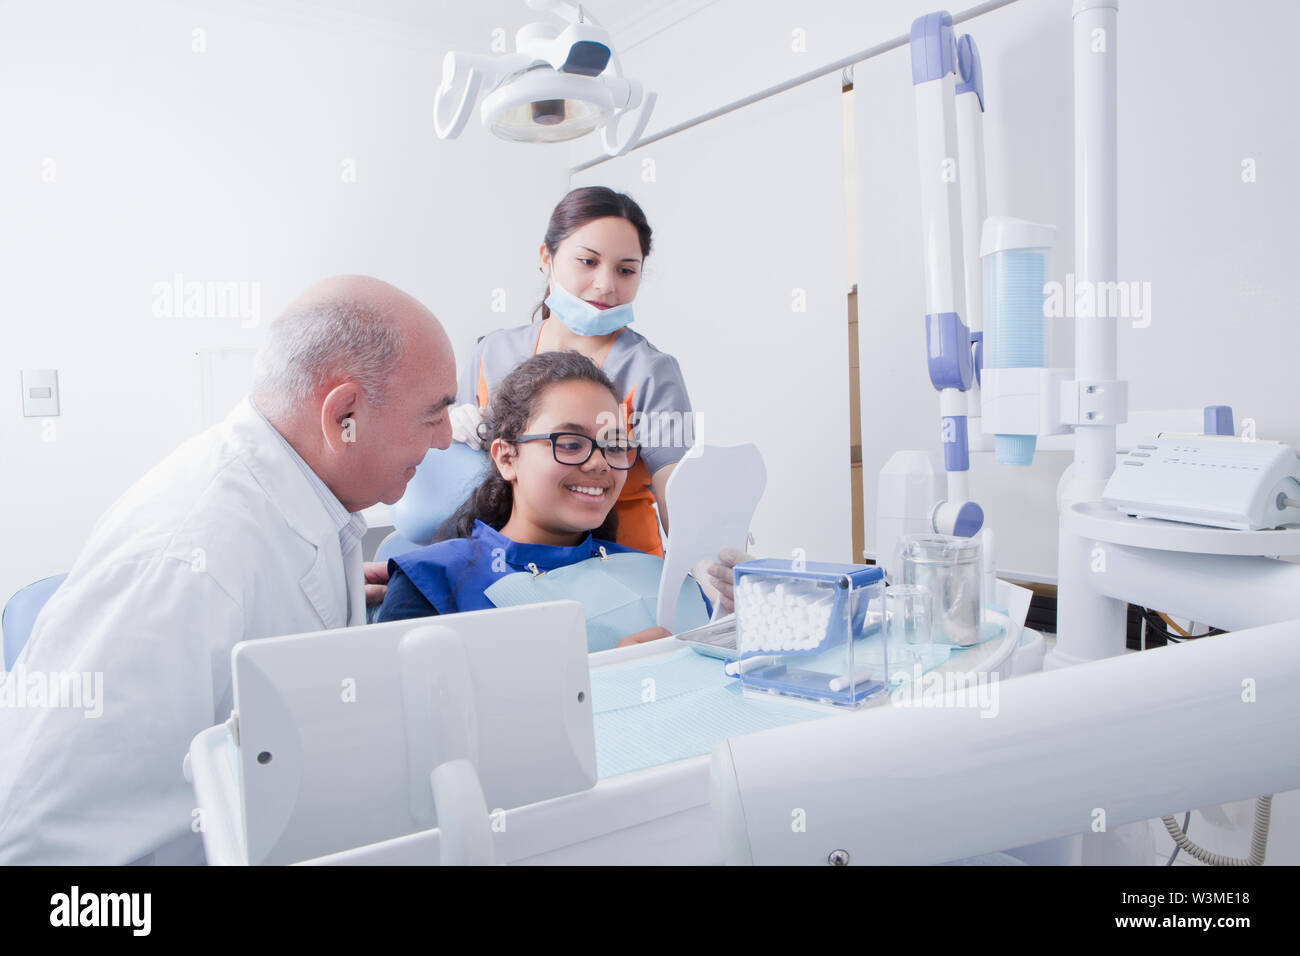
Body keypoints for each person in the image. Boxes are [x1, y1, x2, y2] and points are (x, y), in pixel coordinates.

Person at [0, 275, 458, 864]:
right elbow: (39, 844)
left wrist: (343, 598)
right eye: (433, 415)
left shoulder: (311, 505)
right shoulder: (186, 560)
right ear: (344, 414)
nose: (447, 439)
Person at [448, 186, 693, 558]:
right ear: (546, 257)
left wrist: (707, 543)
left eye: (626, 270)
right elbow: (447, 473)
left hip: (622, 570)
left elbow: (675, 486)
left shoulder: (650, 371)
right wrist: (443, 427)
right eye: (588, 262)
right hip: (502, 562)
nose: (606, 284)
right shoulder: (492, 353)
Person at [378, 350, 677, 648]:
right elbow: (396, 694)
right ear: (507, 458)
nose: (600, 463)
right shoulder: (431, 583)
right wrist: (608, 677)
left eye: (613, 445)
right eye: (571, 443)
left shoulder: (651, 575)